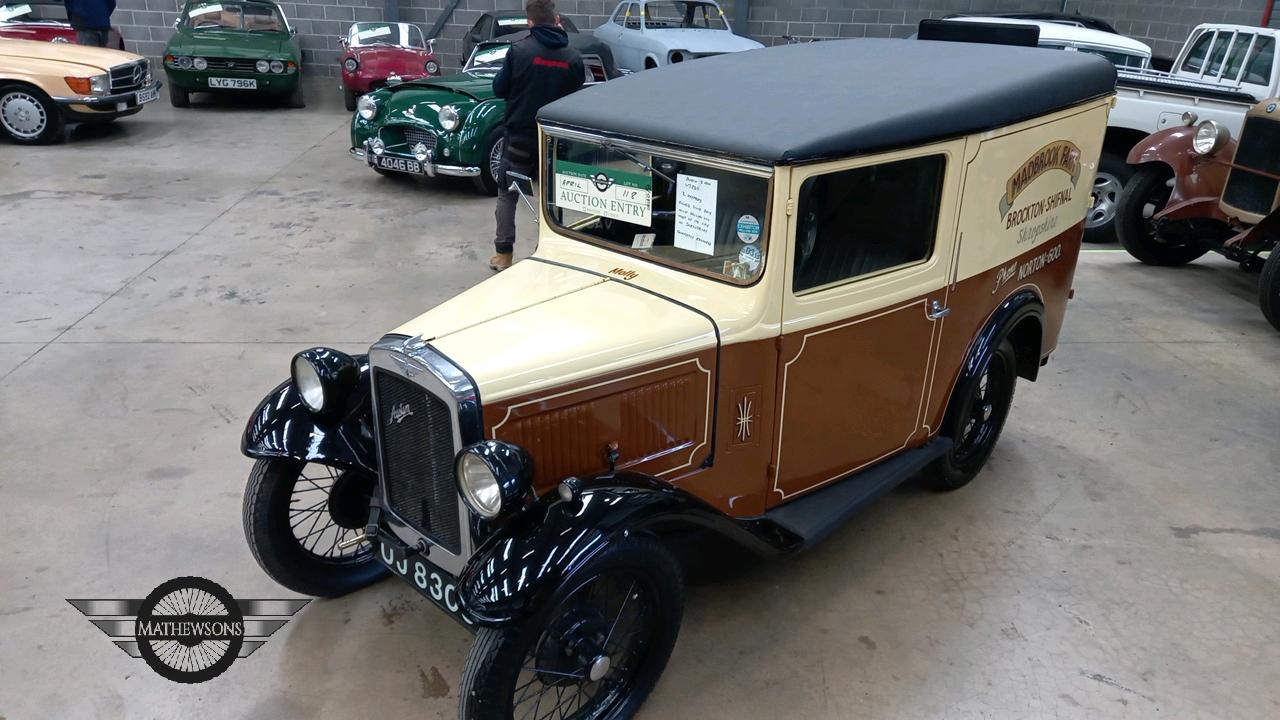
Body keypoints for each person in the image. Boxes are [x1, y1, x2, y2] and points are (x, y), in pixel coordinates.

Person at [488, 0, 584, 271]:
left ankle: (504, 256)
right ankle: (551, 255)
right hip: (553, 141)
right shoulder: (573, 57)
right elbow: (576, 98)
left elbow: (499, 89)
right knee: (552, 199)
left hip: (519, 139)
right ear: (556, 20)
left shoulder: (519, 51)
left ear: (529, 22)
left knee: (507, 194)